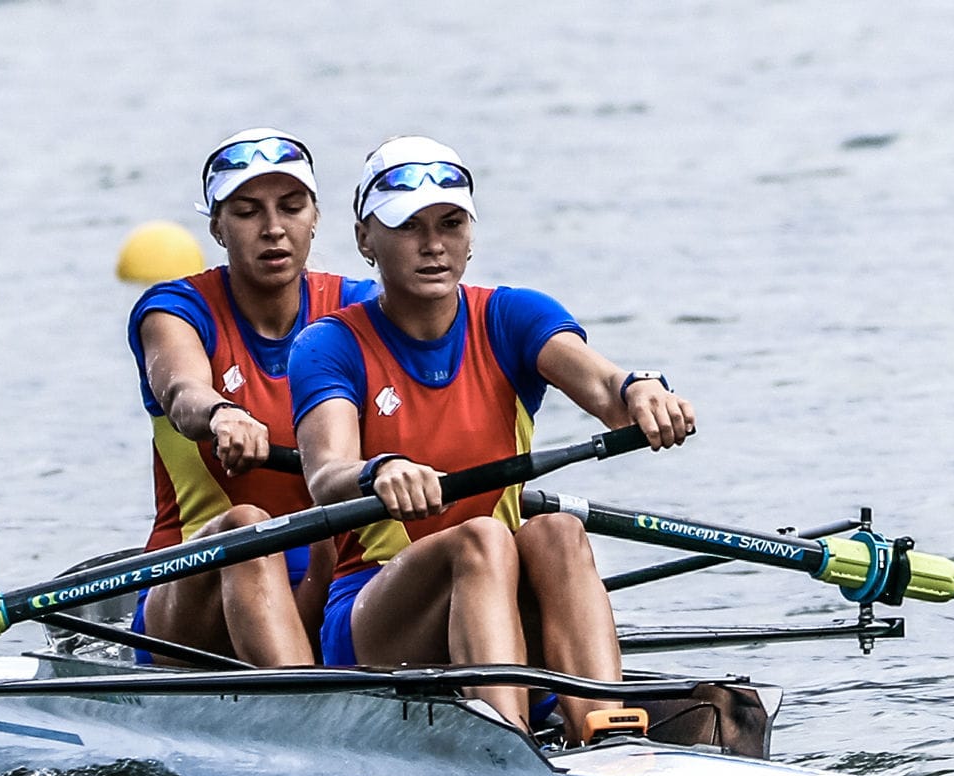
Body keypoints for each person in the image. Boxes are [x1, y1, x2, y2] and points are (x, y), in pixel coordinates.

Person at [289, 136, 696, 741]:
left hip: (498, 606)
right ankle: (508, 738)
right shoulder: (329, 344)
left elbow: (607, 389)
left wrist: (641, 390)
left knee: (557, 530)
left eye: (450, 224)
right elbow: (326, 474)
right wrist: (380, 470)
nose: (433, 245)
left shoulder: (514, 317)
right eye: (408, 227)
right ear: (365, 239)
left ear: (471, 235)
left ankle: (608, 733)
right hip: (377, 618)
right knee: (481, 536)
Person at [126, 128, 376, 667]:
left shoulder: (360, 310)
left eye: (291, 207)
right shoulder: (174, 310)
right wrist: (221, 413)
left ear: (315, 216)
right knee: (247, 525)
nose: (273, 229)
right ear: (217, 226)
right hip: (194, 594)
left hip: (330, 575)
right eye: (246, 212)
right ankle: (306, 701)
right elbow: (182, 389)